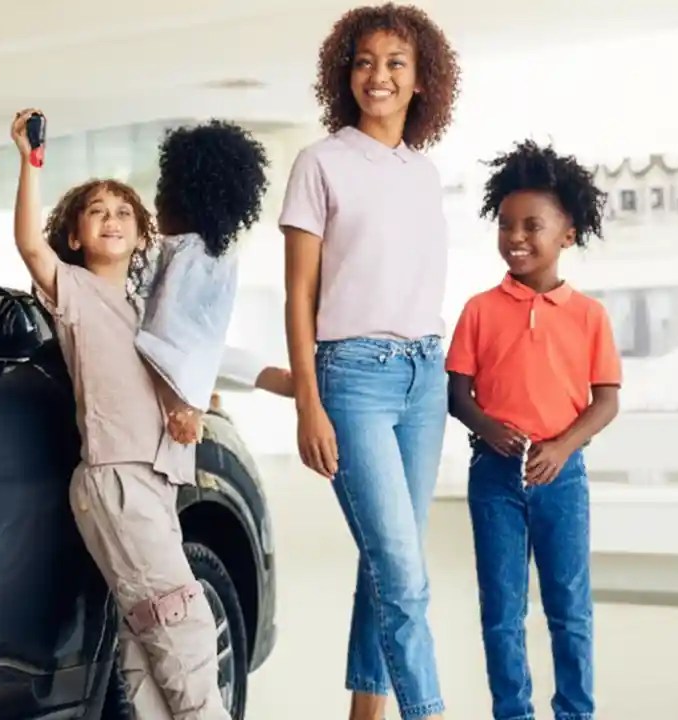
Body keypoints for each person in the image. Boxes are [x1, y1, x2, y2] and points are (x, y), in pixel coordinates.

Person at [10, 107, 233, 720]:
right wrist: (31, 164)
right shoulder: (74, 293)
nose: (112, 219)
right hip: (116, 475)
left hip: (156, 482)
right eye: (97, 211)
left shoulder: (148, 308)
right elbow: (31, 245)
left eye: (124, 212)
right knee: (179, 622)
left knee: (144, 640)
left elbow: (189, 368)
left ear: (142, 236)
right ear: (76, 236)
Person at [278, 4, 461, 719]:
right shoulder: (320, 163)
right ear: (343, 73)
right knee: (405, 575)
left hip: (425, 376)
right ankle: (428, 710)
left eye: (395, 64)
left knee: (387, 566)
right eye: (363, 62)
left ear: (421, 81)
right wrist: (307, 405)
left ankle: (366, 711)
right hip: (352, 378)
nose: (377, 76)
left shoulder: (424, 172)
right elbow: (300, 296)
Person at [447, 140, 620, 720]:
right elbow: (457, 394)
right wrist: (489, 429)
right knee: (501, 610)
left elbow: (606, 399)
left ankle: (576, 711)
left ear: (567, 233)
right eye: (505, 225)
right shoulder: (478, 309)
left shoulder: (590, 316)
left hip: (562, 477)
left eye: (532, 226)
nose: (515, 237)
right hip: (493, 477)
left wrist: (563, 446)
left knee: (569, 608)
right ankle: (512, 713)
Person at [135, 119, 274, 445]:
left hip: (158, 416)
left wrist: (187, 406)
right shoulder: (213, 257)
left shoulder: (188, 258)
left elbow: (176, 339)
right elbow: (202, 343)